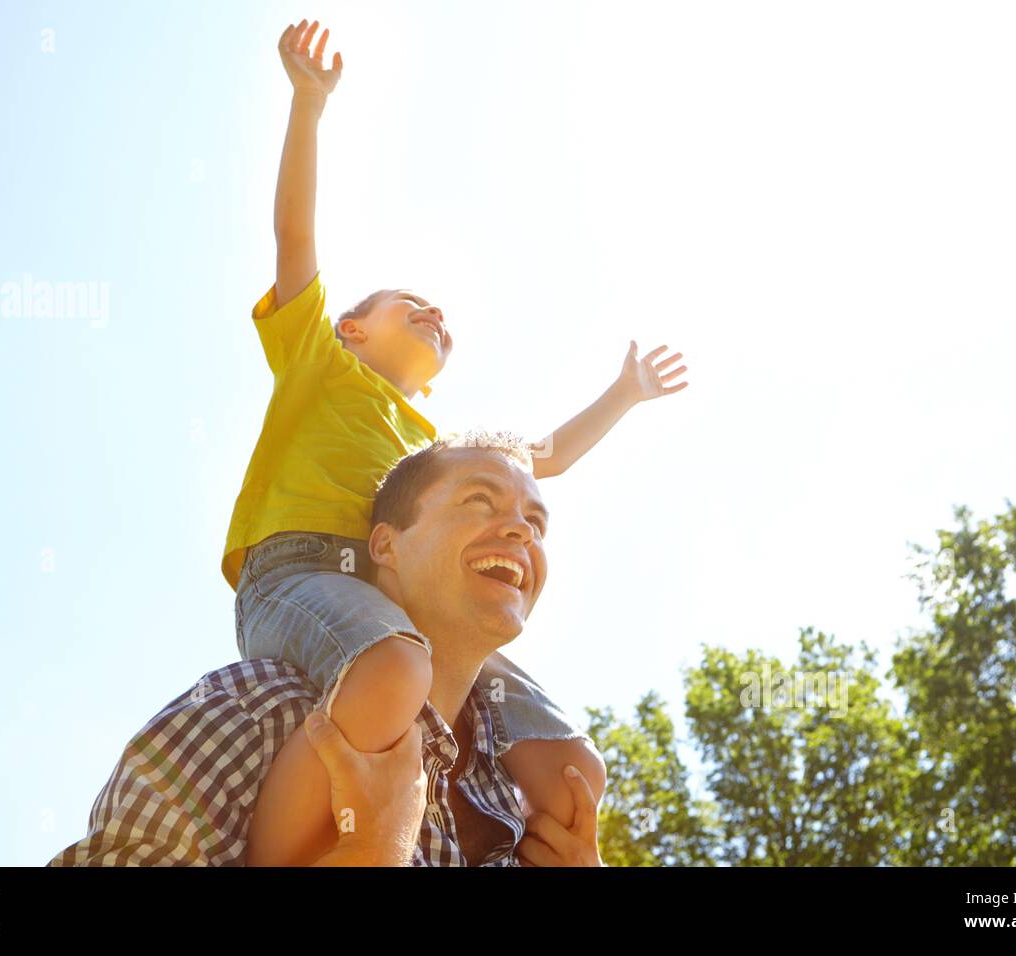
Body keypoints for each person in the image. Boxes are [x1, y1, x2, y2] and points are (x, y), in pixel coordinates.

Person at [225, 18, 689, 865]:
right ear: (354, 329)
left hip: (411, 594)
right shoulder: (318, 361)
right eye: (410, 302)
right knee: (395, 672)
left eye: (444, 316)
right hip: (298, 573)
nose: (435, 312)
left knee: (572, 772)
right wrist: (308, 107)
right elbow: (296, 240)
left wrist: (622, 394)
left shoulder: (432, 446)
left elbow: (540, 455)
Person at [49, 433, 601, 865]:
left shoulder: (522, 806)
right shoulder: (258, 710)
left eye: (536, 522)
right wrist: (368, 856)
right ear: (385, 545)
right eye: (480, 500)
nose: (521, 532)